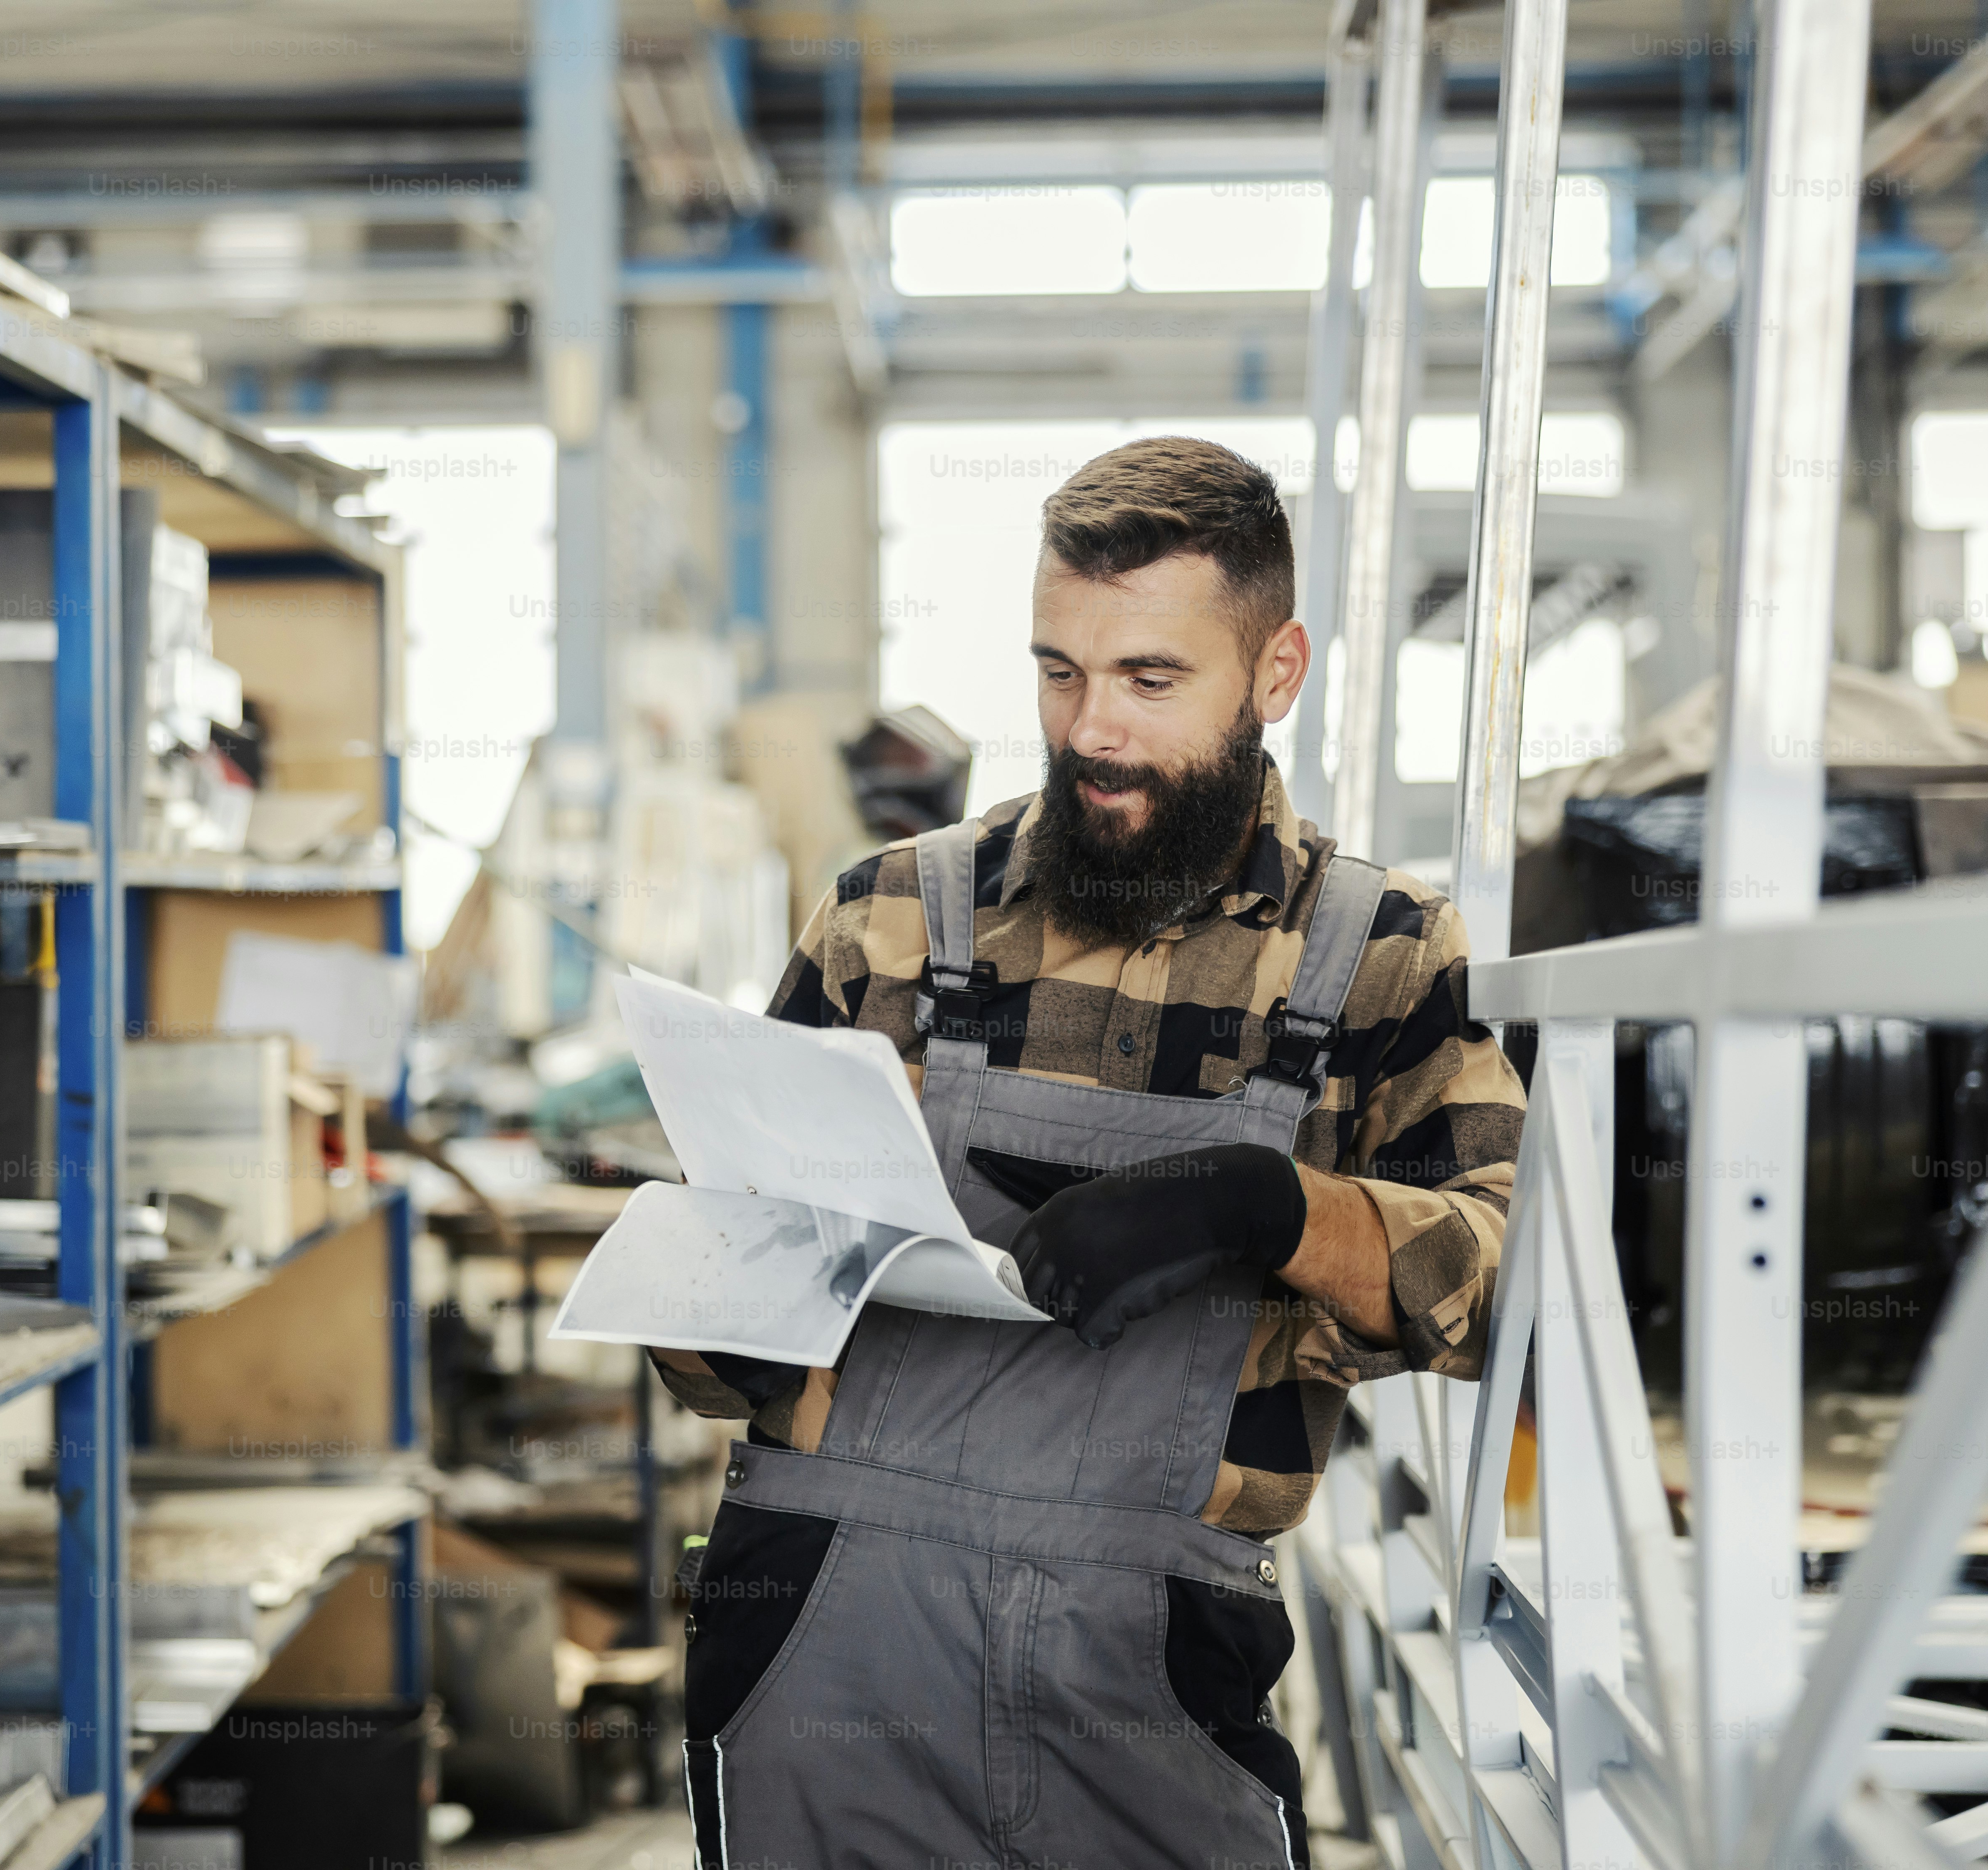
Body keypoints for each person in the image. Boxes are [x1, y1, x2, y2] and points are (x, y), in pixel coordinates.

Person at [651, 436, 1525, 1870]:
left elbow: (1511, 1291)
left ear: (1278, 671)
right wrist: (712, 1307)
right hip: (829, 1644)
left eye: (1150, 680)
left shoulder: (1376, 956)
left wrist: (1271, 1205)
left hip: (1154, 1670)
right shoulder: (890, 920)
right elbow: (711, 1317)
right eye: (1059, 671)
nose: (1091, 731)